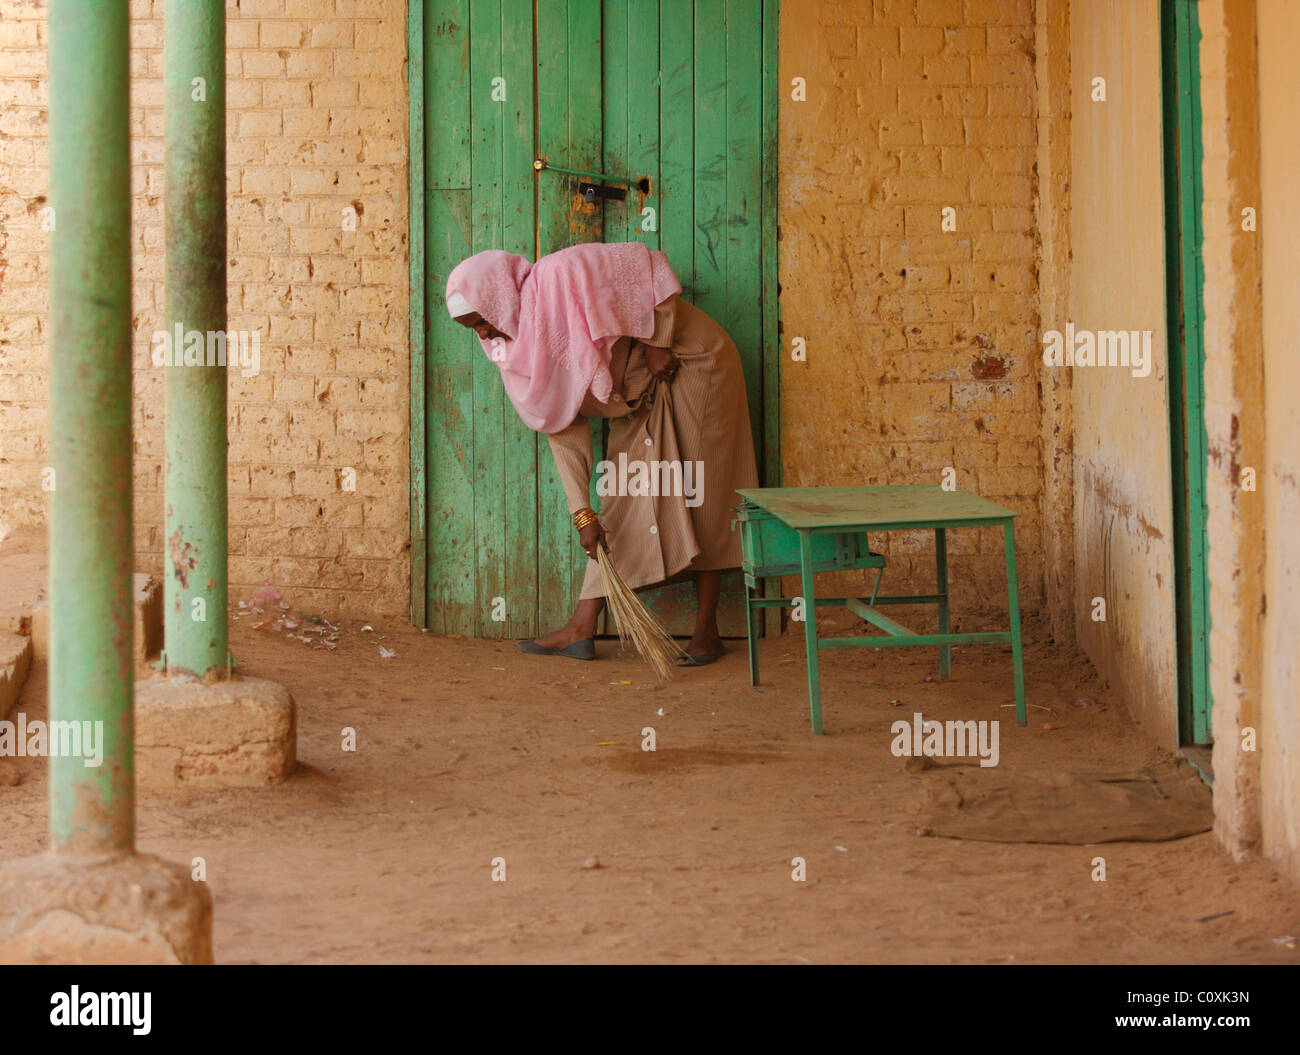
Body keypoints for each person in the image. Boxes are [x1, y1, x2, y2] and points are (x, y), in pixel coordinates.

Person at [445, 241, 757, 666]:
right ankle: (582, 627)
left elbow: (647, 266)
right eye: (472, 329)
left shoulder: (560, 275)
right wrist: (582, 515)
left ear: (498, 300)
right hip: (638, 394)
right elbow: (561, 425)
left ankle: (707, 631)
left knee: (703, 490)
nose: (483, 335)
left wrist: (657, 339)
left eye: (481, 321)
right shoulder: (515, 355)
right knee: (621, 497)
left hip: (691, 364)